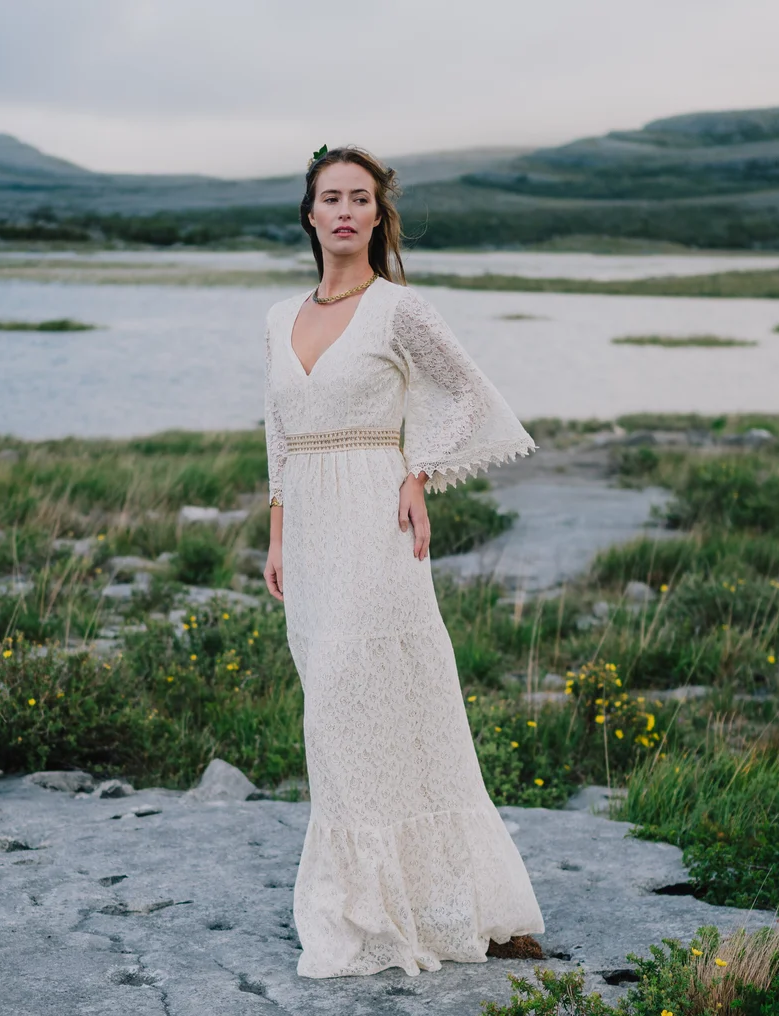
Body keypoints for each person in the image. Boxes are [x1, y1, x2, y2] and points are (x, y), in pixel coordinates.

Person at [262, 144, 544, 979]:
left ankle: (405, 907)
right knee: (339, 708)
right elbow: (276, 431)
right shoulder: (277, 318)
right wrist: (276, 534)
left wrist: (417, 470)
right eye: (330, 198)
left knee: (354, 696)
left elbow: (470, 395)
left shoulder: (399, 309)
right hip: (310, 530)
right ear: (309, 215)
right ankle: (373, 904)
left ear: (378, 216)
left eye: (360, 198)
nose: (345, 211)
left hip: (378, 521)